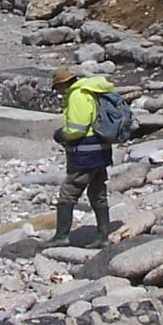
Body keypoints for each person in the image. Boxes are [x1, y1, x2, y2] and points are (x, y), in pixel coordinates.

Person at [50, 64, 115, 244]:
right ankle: (102, 236)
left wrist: (61, 134)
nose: (59, 92)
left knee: (68, 193)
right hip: (101, 150)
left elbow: (77, 128)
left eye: (58, 88)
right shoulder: (91, 91)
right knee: (97, 193)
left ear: (63, 84)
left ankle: (61, 236)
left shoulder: (77, 96)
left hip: (85, 153)